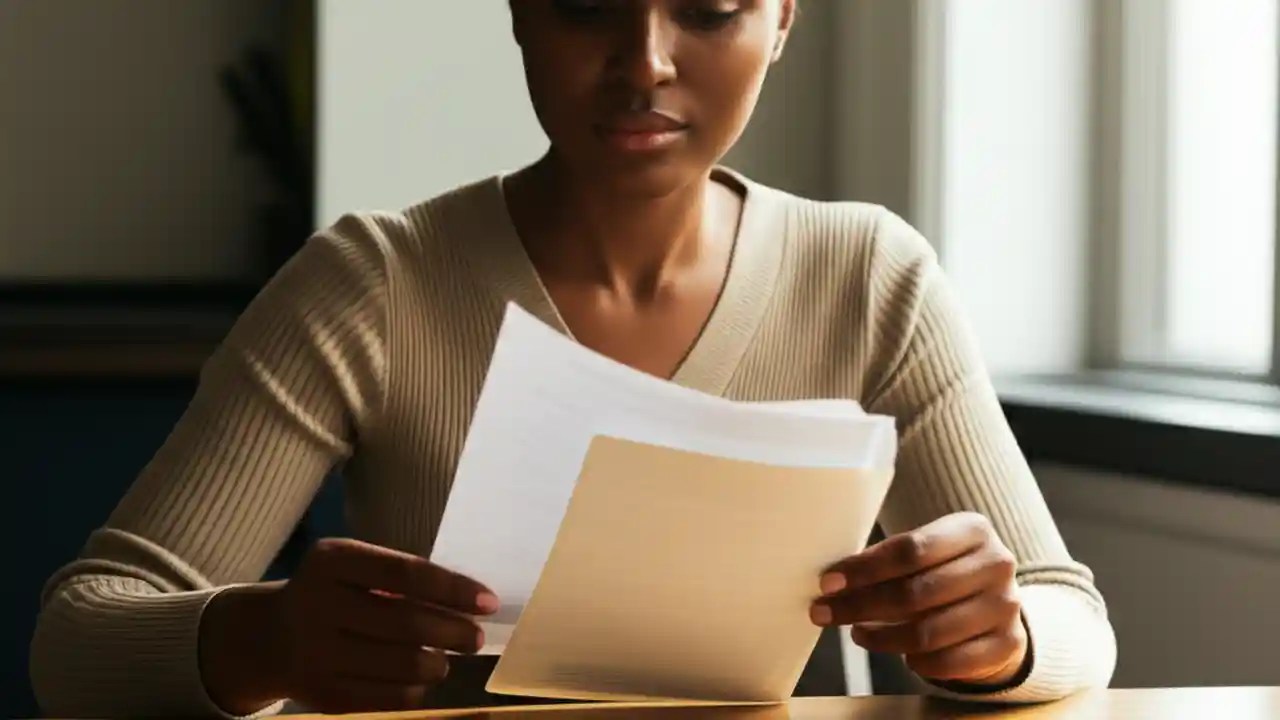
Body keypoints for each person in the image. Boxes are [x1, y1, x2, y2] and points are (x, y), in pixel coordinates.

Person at [30, 1, 1117, 717]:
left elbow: (1070, 618)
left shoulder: (869, 279)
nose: (644, 62)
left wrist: (1000, 638)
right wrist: (262, 638)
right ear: (517, 10)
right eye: (587, 4)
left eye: (707, 8)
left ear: (783, 15)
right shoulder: (373, 284)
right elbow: (76, 640)